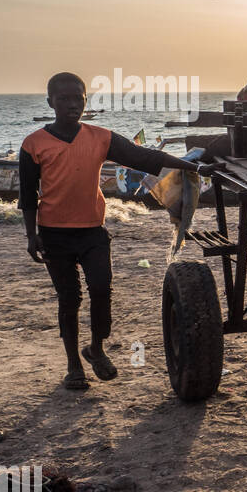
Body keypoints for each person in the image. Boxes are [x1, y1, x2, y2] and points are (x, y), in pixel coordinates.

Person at [20, 72, 209, 391]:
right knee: (68, 299)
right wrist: (30, 235)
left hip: (92, 230)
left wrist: (194, 167)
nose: (70, 104)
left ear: (85, 99)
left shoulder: (100, 138)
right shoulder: (34, 144)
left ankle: (95, 348)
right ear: (49, 101)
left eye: (76, 98)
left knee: (101, 290)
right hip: (53, 233)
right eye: (62, 98)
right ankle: (73, 366)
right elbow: (27, 195)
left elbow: (145, 157)